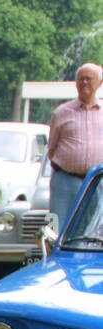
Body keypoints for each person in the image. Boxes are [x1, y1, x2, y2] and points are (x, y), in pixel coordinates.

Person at [47, 63, 103, 232]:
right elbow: (52, 149)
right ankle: (57, 259)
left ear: (100, 83)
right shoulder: (61, 112)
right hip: (65, 180)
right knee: (58, 227)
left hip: (98, 181)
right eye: (81, 79)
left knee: (93, 230)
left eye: (89, 79)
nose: (85, 82)